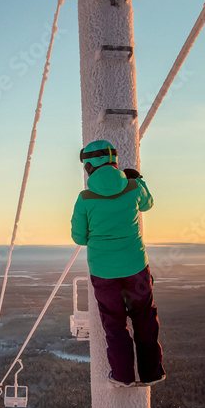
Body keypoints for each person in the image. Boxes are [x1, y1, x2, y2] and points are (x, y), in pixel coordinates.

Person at [70, 139, 166, 388]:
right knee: (144, 316)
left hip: (103, 272)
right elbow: (148, 204)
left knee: (114, 322)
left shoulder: (85, 199)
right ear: (113, 161)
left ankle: (123, 376)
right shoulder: (133, 187)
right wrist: (139, 179)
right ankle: (151, 373)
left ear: (89, 166)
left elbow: (79, 237)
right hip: (135, 267)